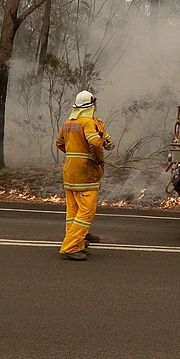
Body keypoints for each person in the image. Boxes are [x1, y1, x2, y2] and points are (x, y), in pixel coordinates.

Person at [55, 90, 114, 261]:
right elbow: (95, 142)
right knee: (86, 211)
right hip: (85, 173)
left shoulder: (68, 123)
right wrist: (98, 159)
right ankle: (70, 247)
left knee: (73, 210)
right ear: (90, 106)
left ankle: (78, 243)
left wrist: (74, 153)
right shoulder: (87, 122)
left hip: (69, 172)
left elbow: (59, 143)